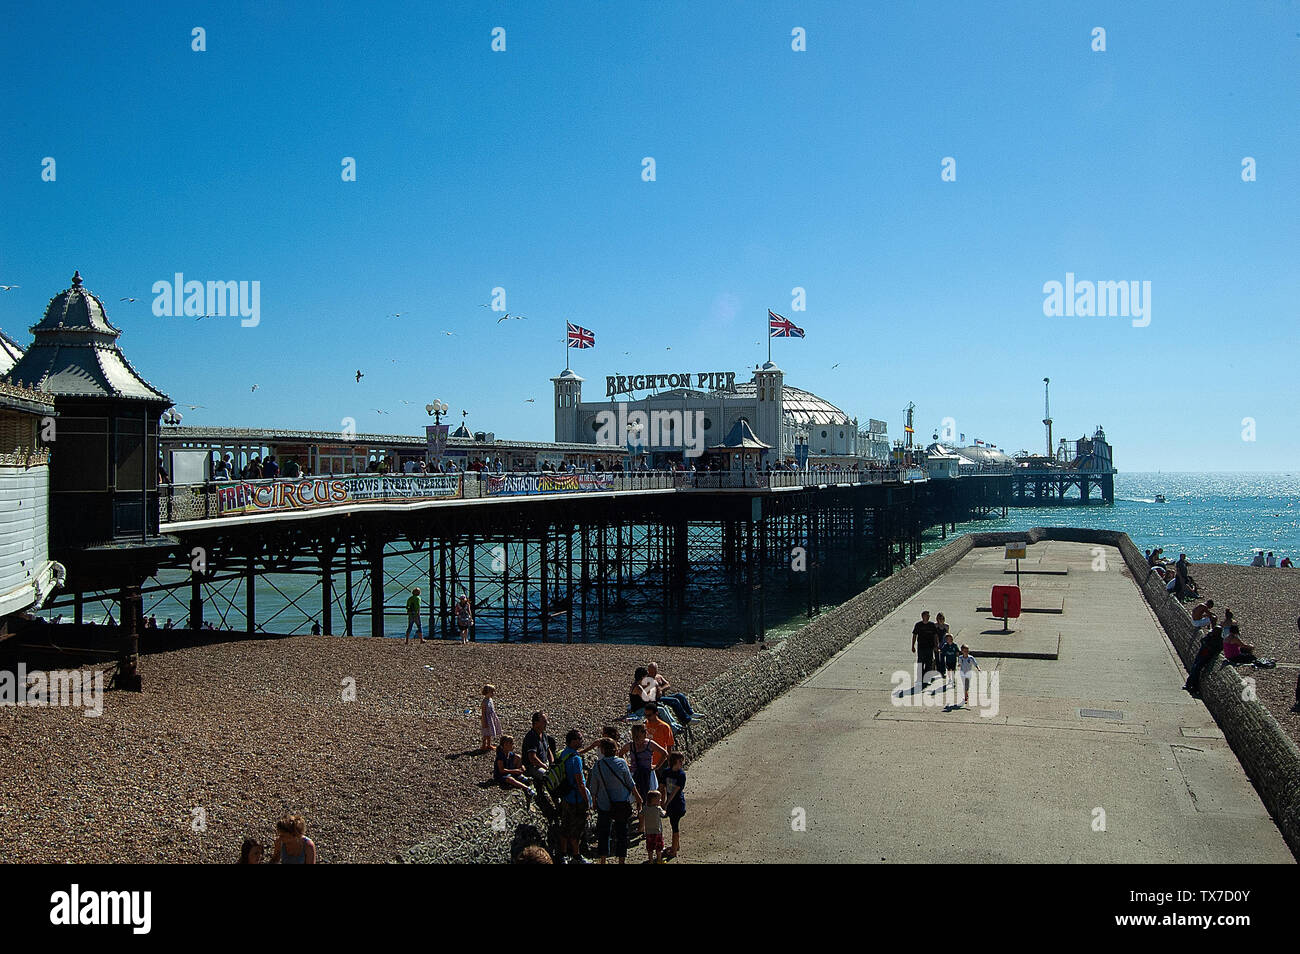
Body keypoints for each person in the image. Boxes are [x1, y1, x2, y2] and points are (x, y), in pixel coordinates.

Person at [589, 738, 640, 864]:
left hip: (604, 803)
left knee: (604, 832)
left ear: (602, 750)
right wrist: (638, 797)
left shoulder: (598, 765)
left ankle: (603, 859)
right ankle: (621, 860)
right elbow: (630, 783)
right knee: (622, 833)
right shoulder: (622, 763)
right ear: (616, 749)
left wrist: (594, 802)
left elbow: (593, 787)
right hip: (621, 802)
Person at [555, 729, 591, 864]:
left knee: (565, 826)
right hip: (576, 798)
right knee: (576, 828)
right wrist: (587, 799)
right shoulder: (575, 758)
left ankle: (563, 854)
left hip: (565, 796)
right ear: (573, 741)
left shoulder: (562, 754)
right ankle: (576, 855)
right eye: (579, 739)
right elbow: (580, 781)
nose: (581, 741)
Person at [620, 723, 668, 818]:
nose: (645, 733)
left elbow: (664, 753)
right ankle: (641, 816)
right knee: (638, 795)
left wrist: (656, 766)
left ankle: (647, 816)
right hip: (637, 773)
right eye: (642, 731)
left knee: (648, 795)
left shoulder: (649, 744)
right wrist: (627, 765)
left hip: (647, 773)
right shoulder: (631, 745)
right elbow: (620, 753)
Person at [522, 712, 558, 818]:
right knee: (549, 777)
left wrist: (552, 763)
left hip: (543, 763)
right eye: (544, 721)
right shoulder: (531, 737)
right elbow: (532, 758)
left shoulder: (544, 735)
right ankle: (555, 803)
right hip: (533, 767)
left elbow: (548, 750)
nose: (546, 723)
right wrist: (545, 766)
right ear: (536, 723)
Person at [1183, 624, 1225, 697]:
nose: (1214, 631)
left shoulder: (1219, 640)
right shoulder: (1210, 635)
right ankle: (1188, 684)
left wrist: (1208, 646)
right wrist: (1206, 644)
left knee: (1196, 669)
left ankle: (1194, 687)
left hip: (1206, 657)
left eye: (1216, 631)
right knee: (1194, 668)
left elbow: (1216, 649)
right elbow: (1202, 640)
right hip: (1201, 654)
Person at [661, 751, 687, 860]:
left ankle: (674, 851)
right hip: (671, 804)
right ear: (674, 762)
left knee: (674, 825)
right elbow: (662, 787)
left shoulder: (681, 775)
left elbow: (674, 792)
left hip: (677, 804)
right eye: (679, 761)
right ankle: (676, 845)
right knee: (673, 824)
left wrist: (666, 803)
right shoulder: (666, 772)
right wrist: (661, 800)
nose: (681, 763)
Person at [642, 705, 675, 778]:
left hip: (661, 761)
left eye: (649, 715)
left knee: (662, 785)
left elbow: (669, 745)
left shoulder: (664, 727)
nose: (647, 717)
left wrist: (669, 762)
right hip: (647, 761)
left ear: (656, 713)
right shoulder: (644, 725)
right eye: (645, 715)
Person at [911, 611, 939, 688]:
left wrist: (937, 645)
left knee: (929, 663)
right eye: (927, 615)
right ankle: (920, 679)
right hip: (921, 647)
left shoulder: (932, 625)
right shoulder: (918, 625)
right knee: (920, 663)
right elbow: (914, 635)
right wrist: (912, 646)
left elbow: (935, 636)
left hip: (930, 647)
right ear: (923, 616)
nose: (928, 617)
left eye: (929, 615)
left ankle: (927, 679)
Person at [640, 790, 667, 862]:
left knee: (650, 848)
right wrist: (665, 810)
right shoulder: (658, 808)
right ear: (654, 800)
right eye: (659, 799)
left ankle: (650, 860)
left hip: (648, 831)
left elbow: (640, 814)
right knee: (659, 847)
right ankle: (659, 860)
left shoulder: (645, 808)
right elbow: (663, 814)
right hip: (657, 831)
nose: (660, 800)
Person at [480, 685, 502, 753]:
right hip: (486, 718)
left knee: (489, 732)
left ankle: (489, 744)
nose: (493, 694)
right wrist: (484, 721)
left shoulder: (490, 700)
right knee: (485, 733)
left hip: (491, 718)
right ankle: (483, 745)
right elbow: (483, 712)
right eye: (492, 692)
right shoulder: (484, 702)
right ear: (487, 692)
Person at [932, 613, 951, 684]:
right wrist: (935, 644)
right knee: (937, 657)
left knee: (943, 658)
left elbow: (947, 635)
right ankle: (938, 671)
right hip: (936, 643)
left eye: (942, 618)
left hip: (943, 643)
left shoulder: (946, 626)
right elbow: (933, 635)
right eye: (939, 618)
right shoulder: (935, 625)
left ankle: (943, 671)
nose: (941, 620)